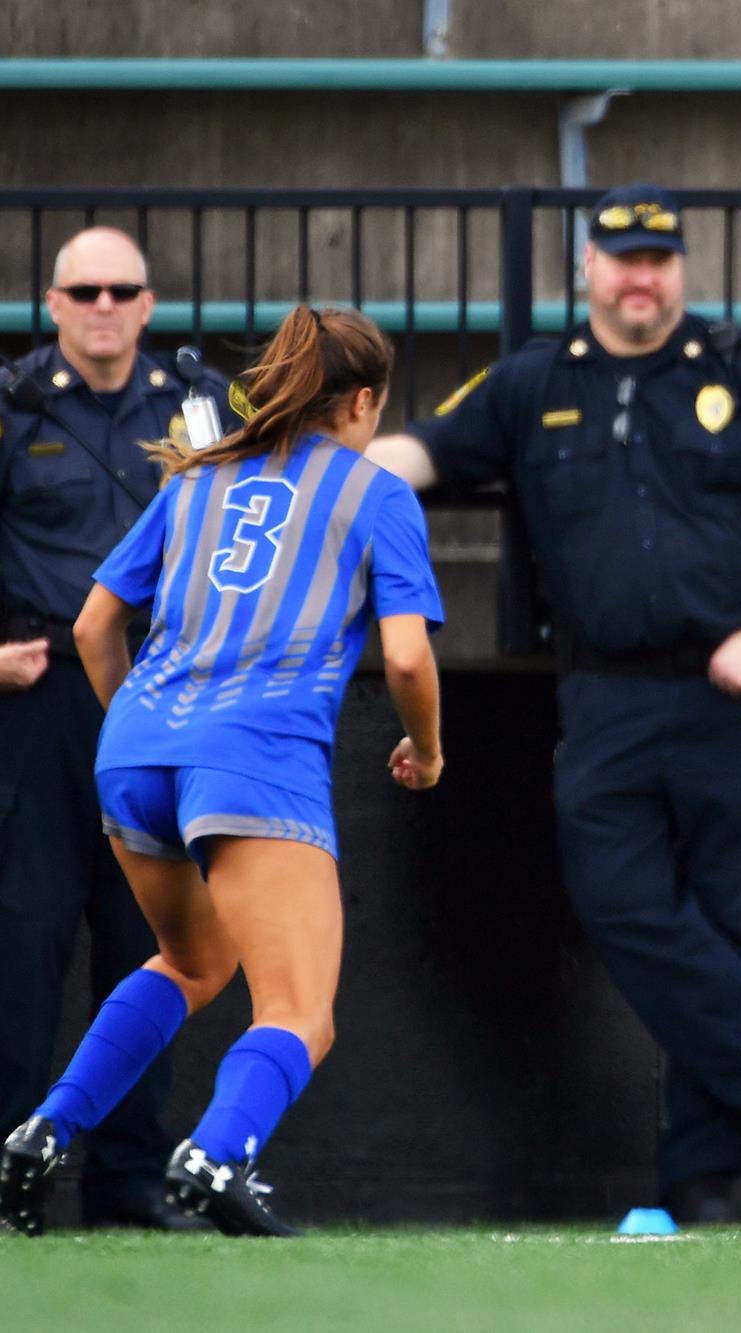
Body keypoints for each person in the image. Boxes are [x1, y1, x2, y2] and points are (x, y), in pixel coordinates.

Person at [363, 184, 741, 1224]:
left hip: (738, 696)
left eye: (656, 258)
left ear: (677, 268)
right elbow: (412, 453)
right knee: (619, 905)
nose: (639, 276)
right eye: (620, 257)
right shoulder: (532, 381)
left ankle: (695, 1189)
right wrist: (302, 471)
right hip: (603, 697)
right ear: (585, 269)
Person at [0, 306, 444, 1238]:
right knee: (300, 1012)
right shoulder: (376, 493)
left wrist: (139, 720)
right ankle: (216, 1153)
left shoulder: (197, 482)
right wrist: (428, 749)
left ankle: (42, 1131)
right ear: (363, 401)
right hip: (255, 756)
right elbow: (406, 659)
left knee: (193, 959)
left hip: (133, 746)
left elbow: (92, 626)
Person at [0, 227, 242, 1230]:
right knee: (26, 936)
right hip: (42, 691)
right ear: (51, 304)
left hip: (164, 694)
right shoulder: (13, 407)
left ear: (148, 305)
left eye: (122, 290)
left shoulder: (196, 408)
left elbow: (243, 531)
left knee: (153, 938)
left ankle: (132, 1178)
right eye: (83, 289)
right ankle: (15, 1167)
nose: (103, 305)